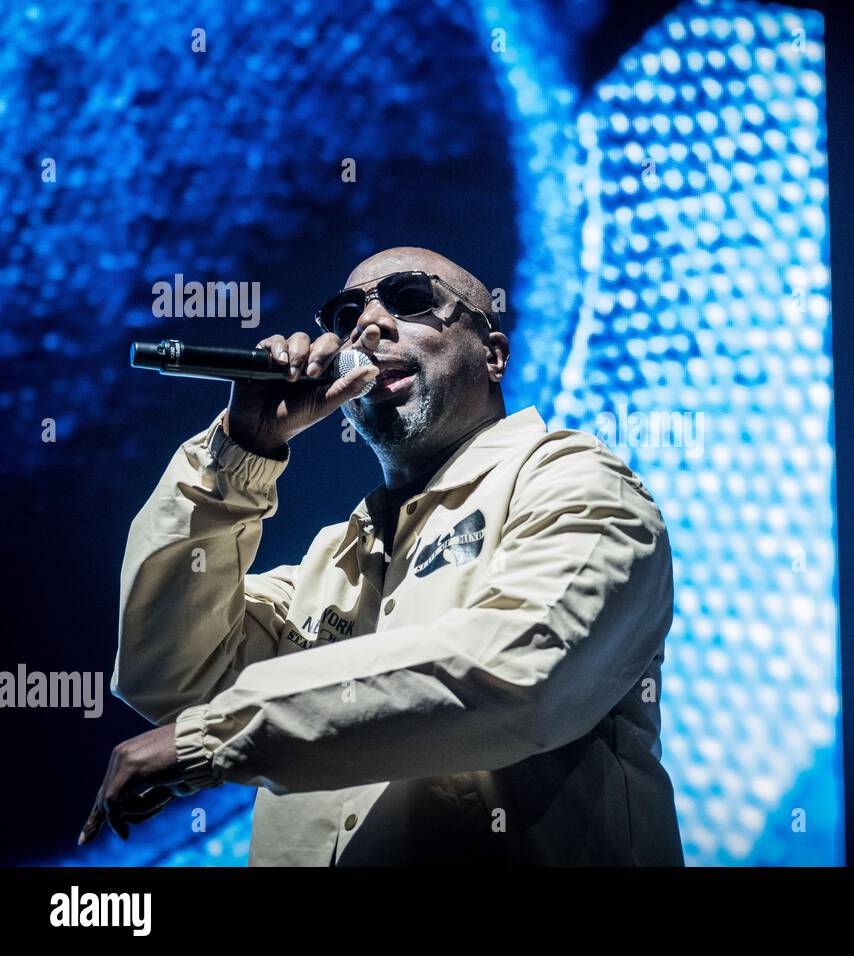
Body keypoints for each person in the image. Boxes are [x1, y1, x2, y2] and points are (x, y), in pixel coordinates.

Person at [80, 246, 684, 865]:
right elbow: (170, 676)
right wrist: (240, 451)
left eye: (412, 299)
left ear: (493, 354)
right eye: (347, 317)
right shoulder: (331, 562)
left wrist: (217, 737)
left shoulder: (577, 483)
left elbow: (520, 671)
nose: (369, 326)